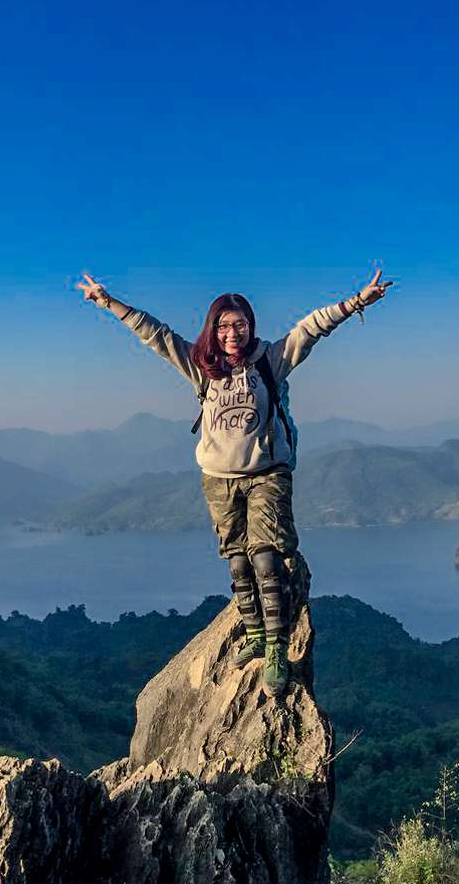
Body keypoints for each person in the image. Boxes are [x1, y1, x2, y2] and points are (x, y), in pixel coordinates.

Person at [75, 269, 394, 691]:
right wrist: (107, 300)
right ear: (213, 328)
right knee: (238, 560)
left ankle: (277, 646)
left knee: (265, 557)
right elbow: (155, 334)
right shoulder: (200, 366)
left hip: (266, 473)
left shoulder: (269, 360)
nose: (232, 332)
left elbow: (311, 329)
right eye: (224, 325)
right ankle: (255, 634)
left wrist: (356, 301)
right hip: (218, 478)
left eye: (239, 323)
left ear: (250, 325)